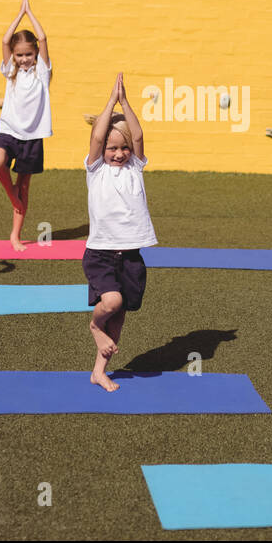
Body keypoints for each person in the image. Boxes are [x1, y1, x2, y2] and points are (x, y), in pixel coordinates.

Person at [83, 74, 158, 392]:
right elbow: (98, 139)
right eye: (112, 148)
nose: (118, 153)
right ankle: (94, 325)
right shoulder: (95, 169)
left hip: (130, 254)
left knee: (120, 313)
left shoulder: (135, 168)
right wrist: (110, 103)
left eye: (123, 148)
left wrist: (126, 103)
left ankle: (99, 371)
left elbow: (138, 135)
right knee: (110, 304)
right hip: (100, 252)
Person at [0, 0, 52, 252]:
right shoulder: (10, 73)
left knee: (24, 187)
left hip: (33, 136)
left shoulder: (42, 73)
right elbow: (6, 40)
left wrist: (32, 14)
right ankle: (10, 193)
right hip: (9, 130)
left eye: (28, 54)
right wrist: (20, 13)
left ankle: (15, 236)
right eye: (19, 55)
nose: (24, 59)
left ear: (35, 54)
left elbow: (43, 38)